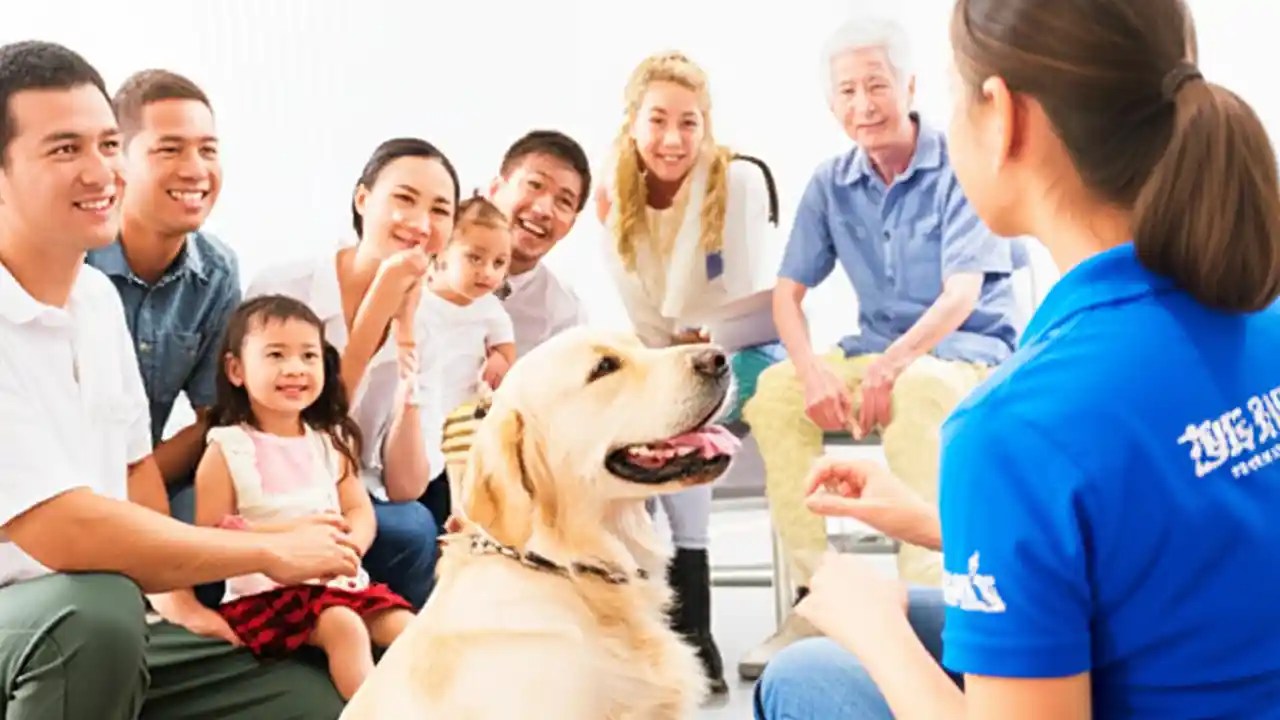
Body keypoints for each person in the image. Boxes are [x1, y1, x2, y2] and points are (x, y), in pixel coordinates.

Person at [757, 0, 1280, 717]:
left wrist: (873, 628)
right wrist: (939, 521)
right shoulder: (1257, 306)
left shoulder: (1013, 426)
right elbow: (1172, 523)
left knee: (807, 674)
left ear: (1004, 115)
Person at [0, 40, 354, 719]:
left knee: (308, 694)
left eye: (107, 145)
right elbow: (63, 528)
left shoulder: (96, 303)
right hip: (42, 614)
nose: (101, 170)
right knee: (94, 615)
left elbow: (135, 471)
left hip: (100, 612)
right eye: (64, 149)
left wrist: (175, 601)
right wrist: (267, 549)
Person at [738, 14, 1020, 679]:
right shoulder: (830, 182)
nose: (862, 105)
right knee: (775, 391)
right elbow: (787, 294)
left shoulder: (960, 163)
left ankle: (935, 605)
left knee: (921, 390)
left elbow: (961, 296)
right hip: (879, 347)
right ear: (831, 104)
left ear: (910, 85)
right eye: (846, 92)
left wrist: (894, 365)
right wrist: (809, 372)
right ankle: (817, 600)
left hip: (967, 351)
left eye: (876, 85)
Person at [592, 49, 787, 696]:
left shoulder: (741, 183)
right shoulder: (613, 197)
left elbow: (729, 296)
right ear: (632, 122)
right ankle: (664, 625)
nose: (673, 139)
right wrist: (663, 361)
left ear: (707, 126)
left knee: (685, 408)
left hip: (743, 349)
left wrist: (683, 353)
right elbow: (646, 316)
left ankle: (693, 619)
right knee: (636, 421)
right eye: (658, 121)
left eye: (690, 122)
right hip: (670, 356)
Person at [247, 136, 459, 609]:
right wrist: (378, 304)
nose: (421, 224)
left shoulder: (436, 325)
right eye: (404, 199)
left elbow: (407, 487)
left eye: (441, 210)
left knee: (413, 527)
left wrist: (407, 351)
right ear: (363, 200)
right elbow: (291, 427)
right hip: (270, 475)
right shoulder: (285, 285)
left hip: (354, 492)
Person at [196, 295, 415, 700]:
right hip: (265, 596)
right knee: (343, 626)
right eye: (276, 355)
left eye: (309, 356)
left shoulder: (330, 441)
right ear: (236, 370)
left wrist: (350, 546)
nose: (295, 368)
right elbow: (210, 533)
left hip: (340, 584)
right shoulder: (227, 448)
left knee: (409, 628)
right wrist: (291, 536)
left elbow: (357, 509)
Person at [85, 69, 239, 527]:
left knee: (225, 524)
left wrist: (138, 490)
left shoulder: (216, 271)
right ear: (117, 161)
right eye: (169, 149)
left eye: (208, 150)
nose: (195, 169)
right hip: (54, 490)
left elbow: (217, 417)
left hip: (146, 477)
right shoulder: (74, 260)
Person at [422, 195, 516, 525]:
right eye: (474, 258)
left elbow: (506, 350)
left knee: (459, 490)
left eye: (499, 263)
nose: (487, 273)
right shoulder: (419, 301)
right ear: (442, 254)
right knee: (429, 486)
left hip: (464, 423)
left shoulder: (490, 310)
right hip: (422, 416)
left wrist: (500, 362)